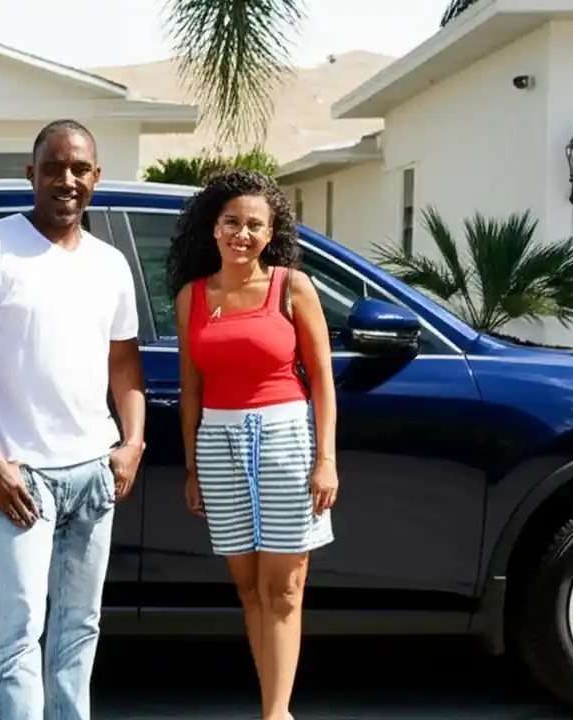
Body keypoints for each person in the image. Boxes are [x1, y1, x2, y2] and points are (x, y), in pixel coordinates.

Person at [0, 119, 146, 720]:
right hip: (20, 474)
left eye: (80, 169)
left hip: (94, 472)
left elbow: (125, 368)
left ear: (96, 179)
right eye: (54, 167)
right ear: (31, 174)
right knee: (19, 630)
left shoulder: (109, 265)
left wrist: (131, 444)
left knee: (79, 628)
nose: (67, 180)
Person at [167, 169, 338, 720]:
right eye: (232, 222)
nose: (242, 233)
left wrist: (325, 460)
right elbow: (191, 387)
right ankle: (276, 706)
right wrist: (193, 467)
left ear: (271, 234)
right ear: (213, 228)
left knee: (284, 588)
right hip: (219, 443)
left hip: (285, 437)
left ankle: (275, 715)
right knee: (248, 587)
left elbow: (323, 380)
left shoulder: (292, 287)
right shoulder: (192, 297)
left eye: (255, 226)